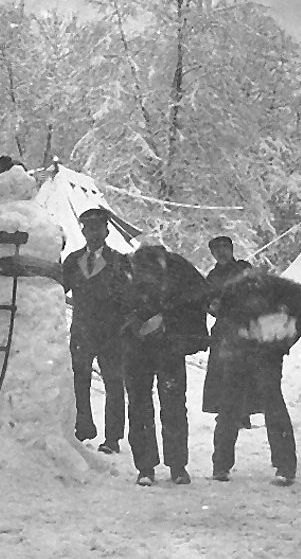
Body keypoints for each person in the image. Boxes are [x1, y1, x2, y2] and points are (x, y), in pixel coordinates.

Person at [119, 245, 209, 486]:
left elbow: (199, 296)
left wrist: (169, 319)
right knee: (139, 404)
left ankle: (177, 465)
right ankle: (146, 467)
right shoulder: (126, 269)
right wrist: (132, 321)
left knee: (173, 404)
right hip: (137, 346)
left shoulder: (179, 269)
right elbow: (113, 301)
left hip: (169, 346)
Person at [206, 268, 301, 486]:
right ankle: (284, 466)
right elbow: (225, 322)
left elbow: (296, 325)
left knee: (241, 406)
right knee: (252, 405)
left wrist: (278, 345)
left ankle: (222, 465)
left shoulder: (280, 294)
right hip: (244, 351)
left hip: (262, 352)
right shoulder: (236, 292)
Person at [61, 208, 128, 452]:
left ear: (107, 231)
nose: (93, 234)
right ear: (83, 231)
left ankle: (113, 438)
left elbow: (128, 298)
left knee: (114, 383)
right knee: (79, 380)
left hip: (111, 334)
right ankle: (83, 427)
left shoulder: (119, 262)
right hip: (82, 330)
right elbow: (59, 288)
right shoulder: (73, 261)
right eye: (89, 229)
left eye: (98, 228)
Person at [201, 236, 254, 431]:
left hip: (243, 327)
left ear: (232, 249)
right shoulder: (212, 277)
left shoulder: (243, 268)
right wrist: (212, 306)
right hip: (223, 329)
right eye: (217, 250)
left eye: (225, 247)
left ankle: (244, 412)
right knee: (221, 372)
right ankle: (225, 411)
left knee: (242, 371)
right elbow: (207, 301)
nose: (221, 252)